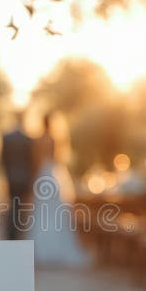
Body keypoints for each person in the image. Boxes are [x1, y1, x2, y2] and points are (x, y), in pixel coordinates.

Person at [28, 113, 90, 267]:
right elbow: (57, 159)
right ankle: (55, 249)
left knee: (43, 213)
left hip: (43, 176)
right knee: (55, 213)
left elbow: (36, 161)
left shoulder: (38, 140)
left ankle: (43, 250)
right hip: (53, 177)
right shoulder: (55, 139)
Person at [1, 110, 34, 240]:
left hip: (11, 178)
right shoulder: (28, 139)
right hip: (24, 178)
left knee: (12, 205)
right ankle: (18, 233)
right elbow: (31, 162)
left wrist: (7, 174)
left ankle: (11, 233)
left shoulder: (6, 137)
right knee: (21, 207)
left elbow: (3, 159)